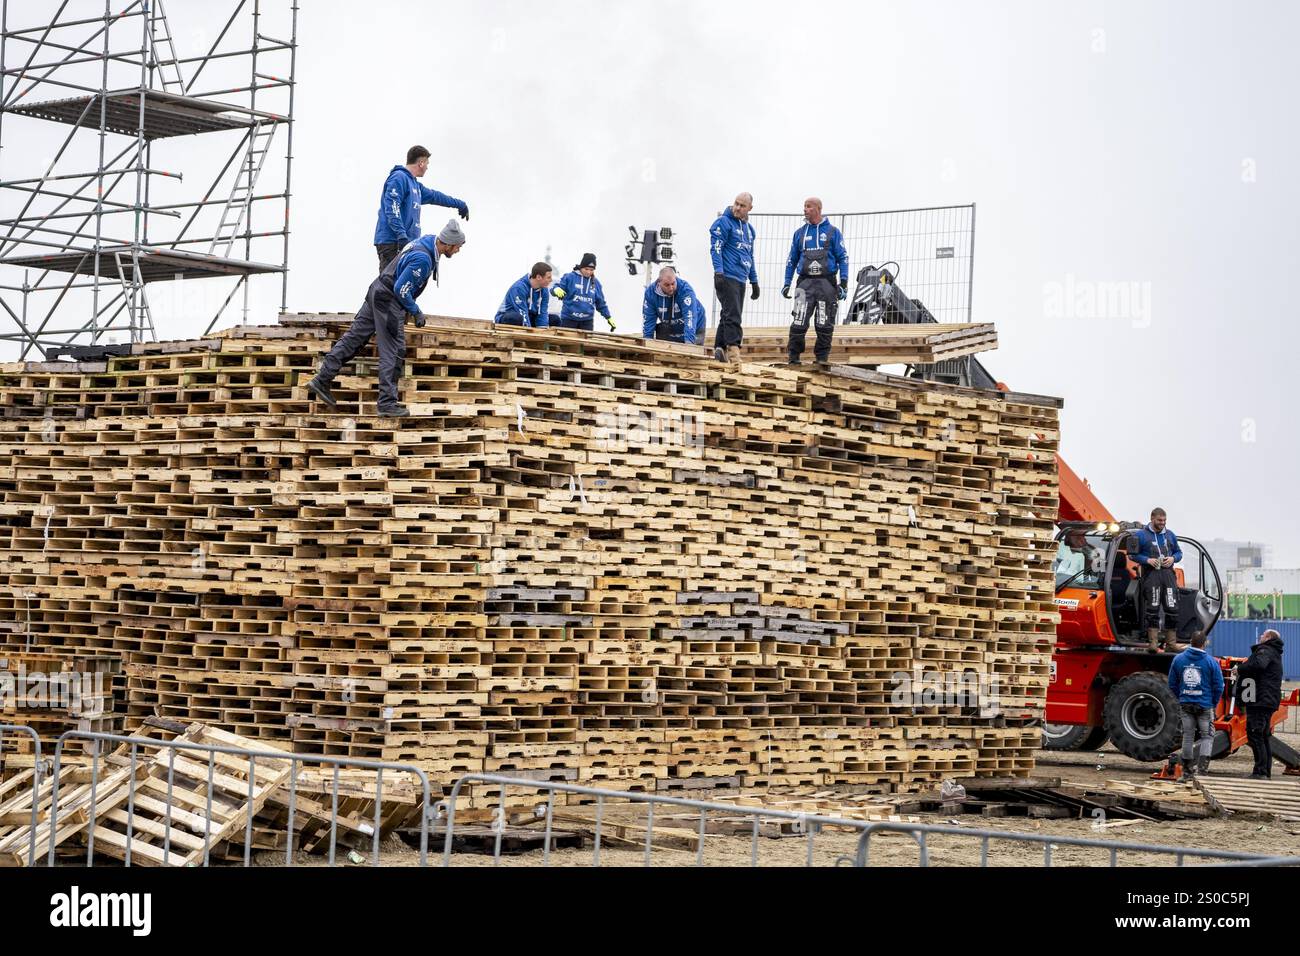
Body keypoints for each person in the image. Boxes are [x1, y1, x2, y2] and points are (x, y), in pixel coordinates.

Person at [308, 220, 466, 418]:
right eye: (458, 246)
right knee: (394, 351)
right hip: (389, 300)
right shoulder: (423, 259)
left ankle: (322, 379)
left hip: (377, 290)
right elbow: (402, 289)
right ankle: (387, 403)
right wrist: (415, 311)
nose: (458, 250)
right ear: (448, 243)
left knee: (353, 339)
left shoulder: (426, 241)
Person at [372, 145, 469, 270]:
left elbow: (435, 196)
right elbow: (392, 207)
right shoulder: (399, 178)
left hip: (407, 243)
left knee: (405, 284)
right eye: (427, 164)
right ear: (421, 163)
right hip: (393, 242)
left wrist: (460, 204)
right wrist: (401, 235)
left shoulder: (415, 186)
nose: (427, 167)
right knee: (389, 286)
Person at [781, 197, 849, 365]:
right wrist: (787, 283)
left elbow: (843, 258)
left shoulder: (833, 232)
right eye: (804, 206)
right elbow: (792, 259)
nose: (805, 209)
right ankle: (794, 357)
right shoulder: (799, 233)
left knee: (824, 322)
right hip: (804, 284)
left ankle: (821, 359)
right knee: (799, 320)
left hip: (827, 284)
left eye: (808, 206)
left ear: (818, 208)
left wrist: (844, 283)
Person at [709, 192, 758, 364]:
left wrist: (754, 280)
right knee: (734, 315)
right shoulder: (724, 222)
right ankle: (734, 351)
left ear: (750, 208)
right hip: (727, 275)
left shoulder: (750, 230)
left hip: (741, 277)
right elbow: (716, 248)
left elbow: (749, 256)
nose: (737, 208)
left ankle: (719, 349)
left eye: (742, 205)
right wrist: (718, 271)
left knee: (728, 313)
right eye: (736, 203)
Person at [1167, 630, 1223, 780]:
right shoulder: (1211, 662)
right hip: (1205, 705)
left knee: (1188, 736)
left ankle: (1187, 773)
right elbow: (1219, 686)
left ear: (1190, 641)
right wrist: (1213, 703)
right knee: (1207, 737)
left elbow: (1172, 683)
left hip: (1186, 704)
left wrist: (1182, 696)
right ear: (1205, 643)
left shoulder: (1178, 660)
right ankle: (1202, 772)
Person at [1128, 507, 1183, 652]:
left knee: (1172, 608)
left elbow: (1179, 553)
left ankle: (1171, 643)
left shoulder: (1170, 535)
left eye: (1164, 520)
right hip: (1151, 575)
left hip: (1168, 575)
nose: (1162, 523)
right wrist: (1147, 560)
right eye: (1159, 520)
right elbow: (1132, 555)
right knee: (1152, 608)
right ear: (1152, 518)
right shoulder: (1141, 535)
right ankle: (1152, 643)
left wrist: (1173, 558)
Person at [1235, 629, 1285, 778]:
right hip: (1266, 699)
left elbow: (1259, 665)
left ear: (1268, 637)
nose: (1260, 636)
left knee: (1255, 734)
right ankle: (1264, 771)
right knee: (1263, 736)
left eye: (1263, 635)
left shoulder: (1265, 650)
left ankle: (1260, 771)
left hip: (1260, 700)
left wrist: (1240, 668)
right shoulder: (1274, 652)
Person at [641, 266, 704, 344]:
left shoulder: (685, 290)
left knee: (693, 348)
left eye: (673, 284)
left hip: (694, 324)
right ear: (659, 282)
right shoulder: (650, 293)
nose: (671, 288)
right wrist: (647, 343)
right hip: (672, 326)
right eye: (667, 285)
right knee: (661, 333)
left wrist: (689, 343)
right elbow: (648, 321)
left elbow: (690, 318)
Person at [552, 253, 614, 331]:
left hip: (587, 322)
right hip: (568, 319)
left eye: (591, 270)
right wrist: (555, 289)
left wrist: (608, 317)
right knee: (567, 342)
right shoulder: (570, 277)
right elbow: (555, 288)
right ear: (581, 267)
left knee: (586, 343)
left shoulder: (596, 283)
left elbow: (601, 303)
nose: (588, 272)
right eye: (586, 269)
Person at [494, 263, 553, 327]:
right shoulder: (519, 288)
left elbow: (543, 312)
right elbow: (522, 312)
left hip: (528, 316)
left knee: (555, 319)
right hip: (508, 317)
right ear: (538, 277)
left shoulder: (544, 290)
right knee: (516, 318)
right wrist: (529, 332)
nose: (551, 280)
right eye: (548, 277)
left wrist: (543, 330)